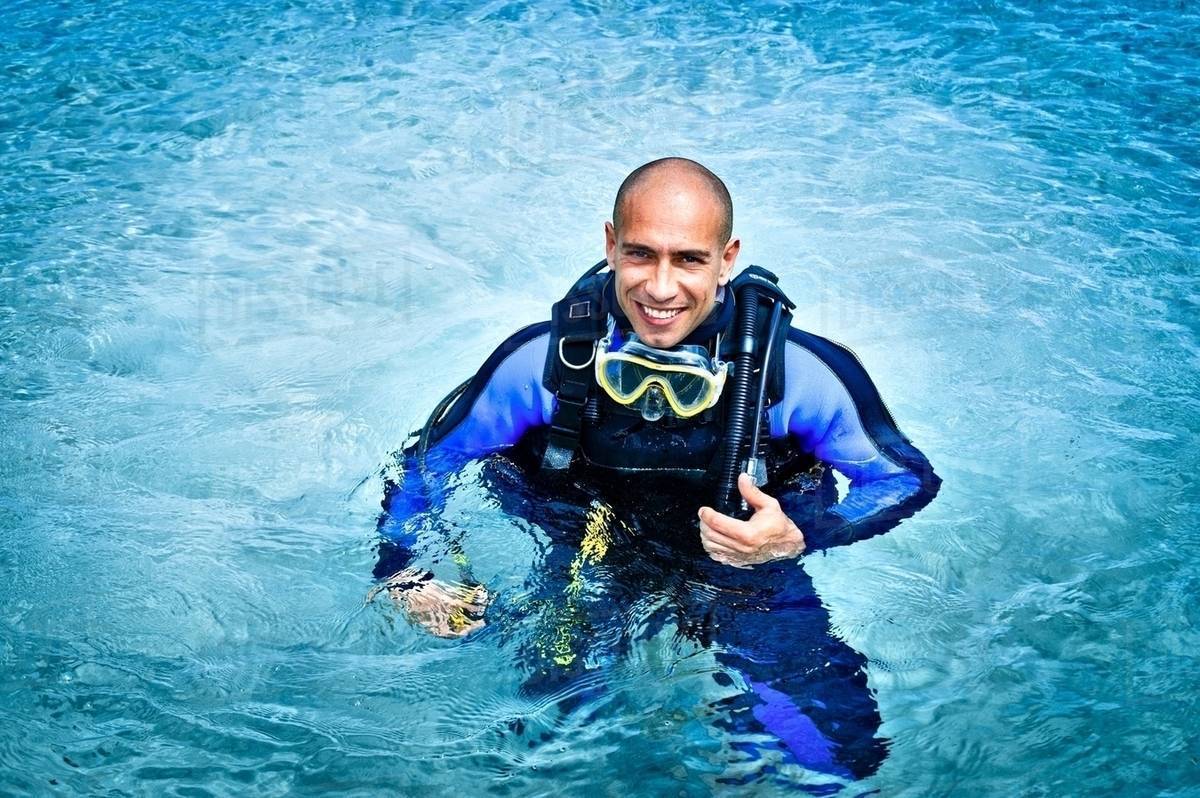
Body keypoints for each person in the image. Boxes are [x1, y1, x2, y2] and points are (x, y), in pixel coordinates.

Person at [373, 157, 941, 782]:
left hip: (741, 568)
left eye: (689, 259)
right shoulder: (544, 363)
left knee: (837, 759)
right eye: (641, 254)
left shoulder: (796, 375)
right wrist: (403, 572)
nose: (662, 289)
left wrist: (804, 534)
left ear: (728, 259)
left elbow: (904, 479)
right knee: (546, 748)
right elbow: (428, 464)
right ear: (610, 245)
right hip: (590, 554)